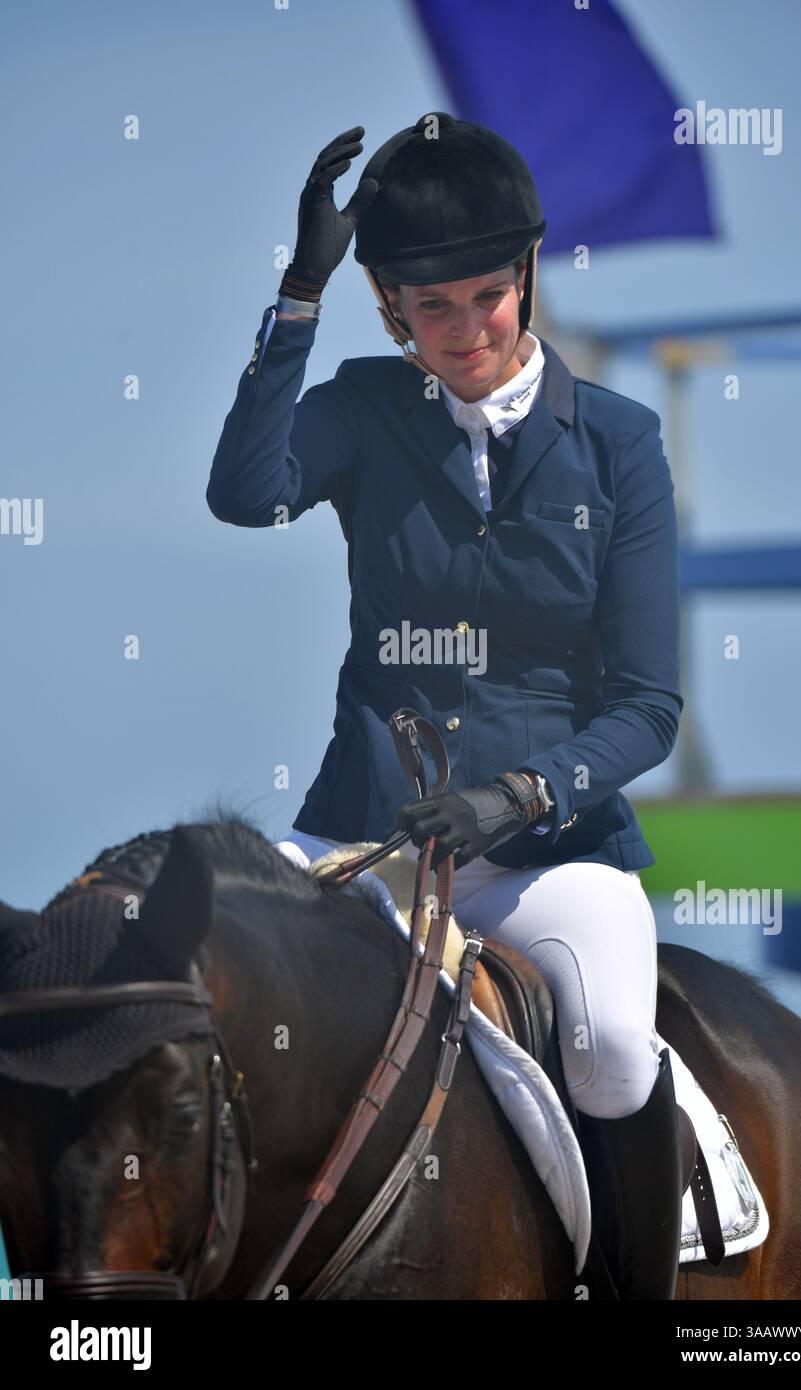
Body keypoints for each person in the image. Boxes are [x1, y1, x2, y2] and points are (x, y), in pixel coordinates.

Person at [207, 113, 685, 1299]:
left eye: (487, 296)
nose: (465, 331)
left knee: (617, 1048)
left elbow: (647, 705)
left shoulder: (620, 445)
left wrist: (519, 794)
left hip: (546, 854)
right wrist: (300, 290)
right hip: (361, 836)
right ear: (390, 311)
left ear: (523, 277)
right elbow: (241, 493)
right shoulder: (367, 409)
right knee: (215, 989)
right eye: (430, 308)